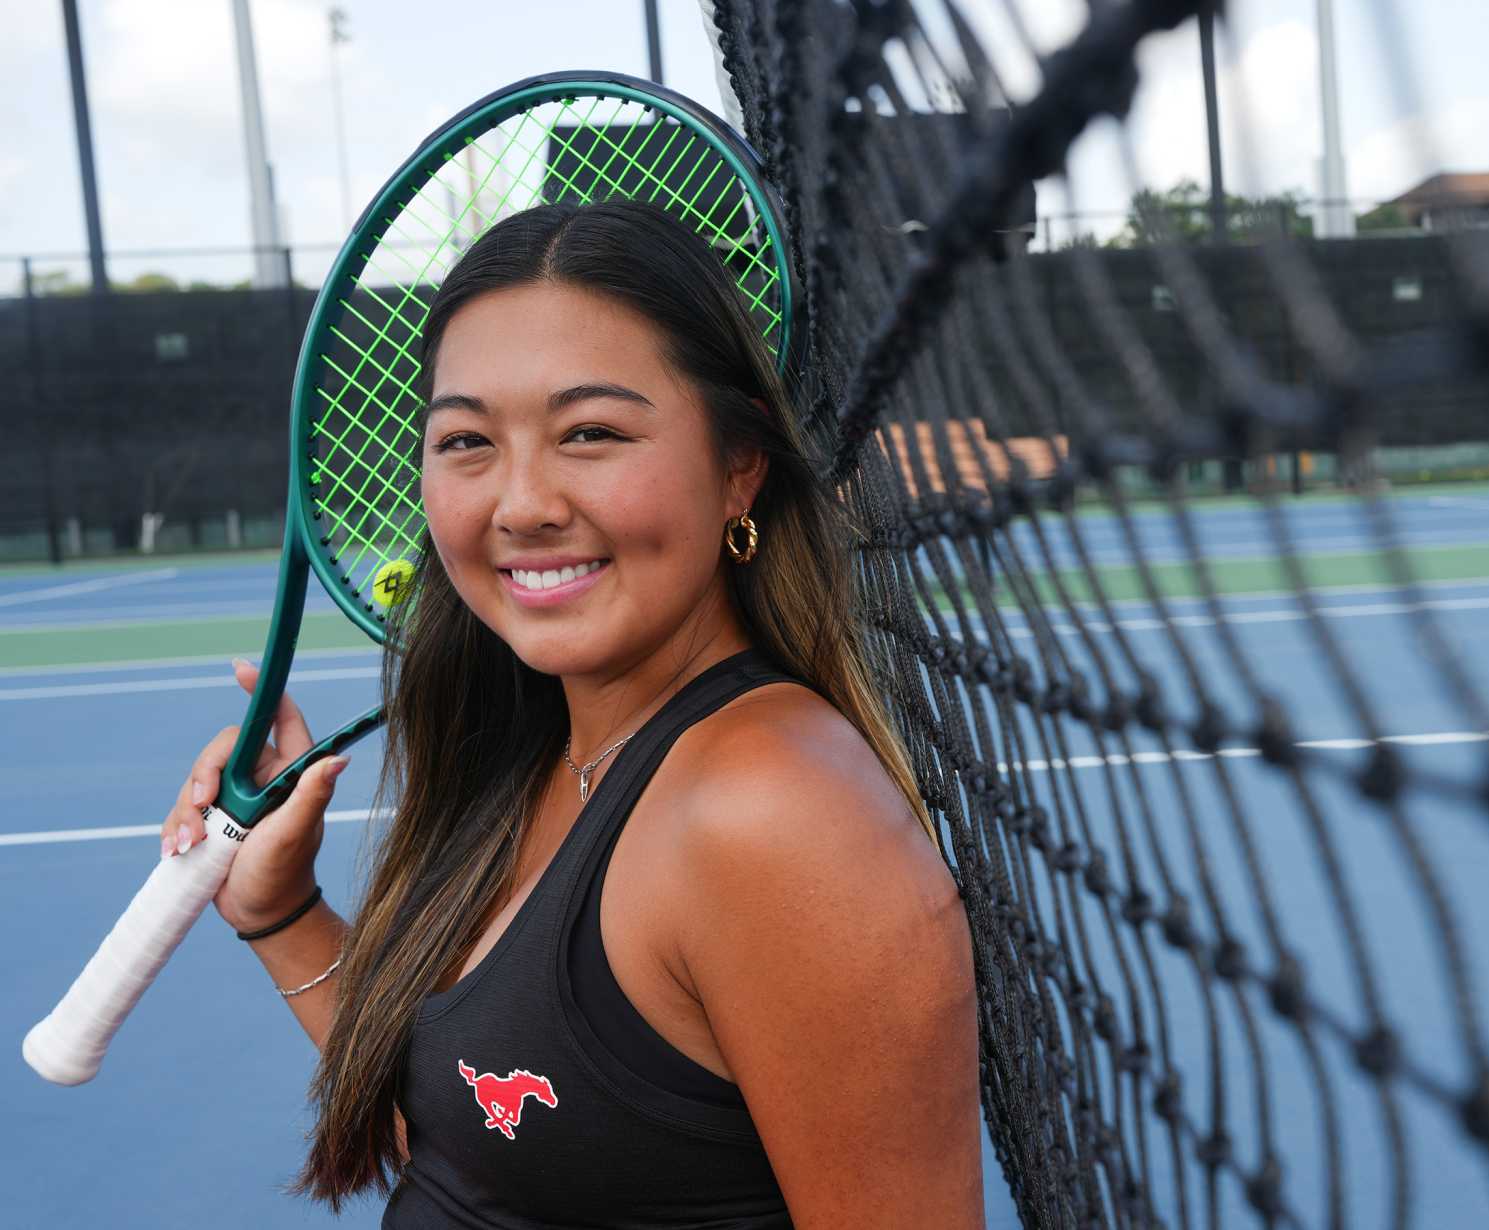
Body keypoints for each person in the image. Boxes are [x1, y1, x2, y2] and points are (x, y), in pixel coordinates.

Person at [158, 200, 984, 1227]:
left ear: (740, 466)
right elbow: (509, 1153)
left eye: (589, 432)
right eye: (465, 441)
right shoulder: (547, 753)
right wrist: (277, 913)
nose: (520, 503)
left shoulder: (772, 815)